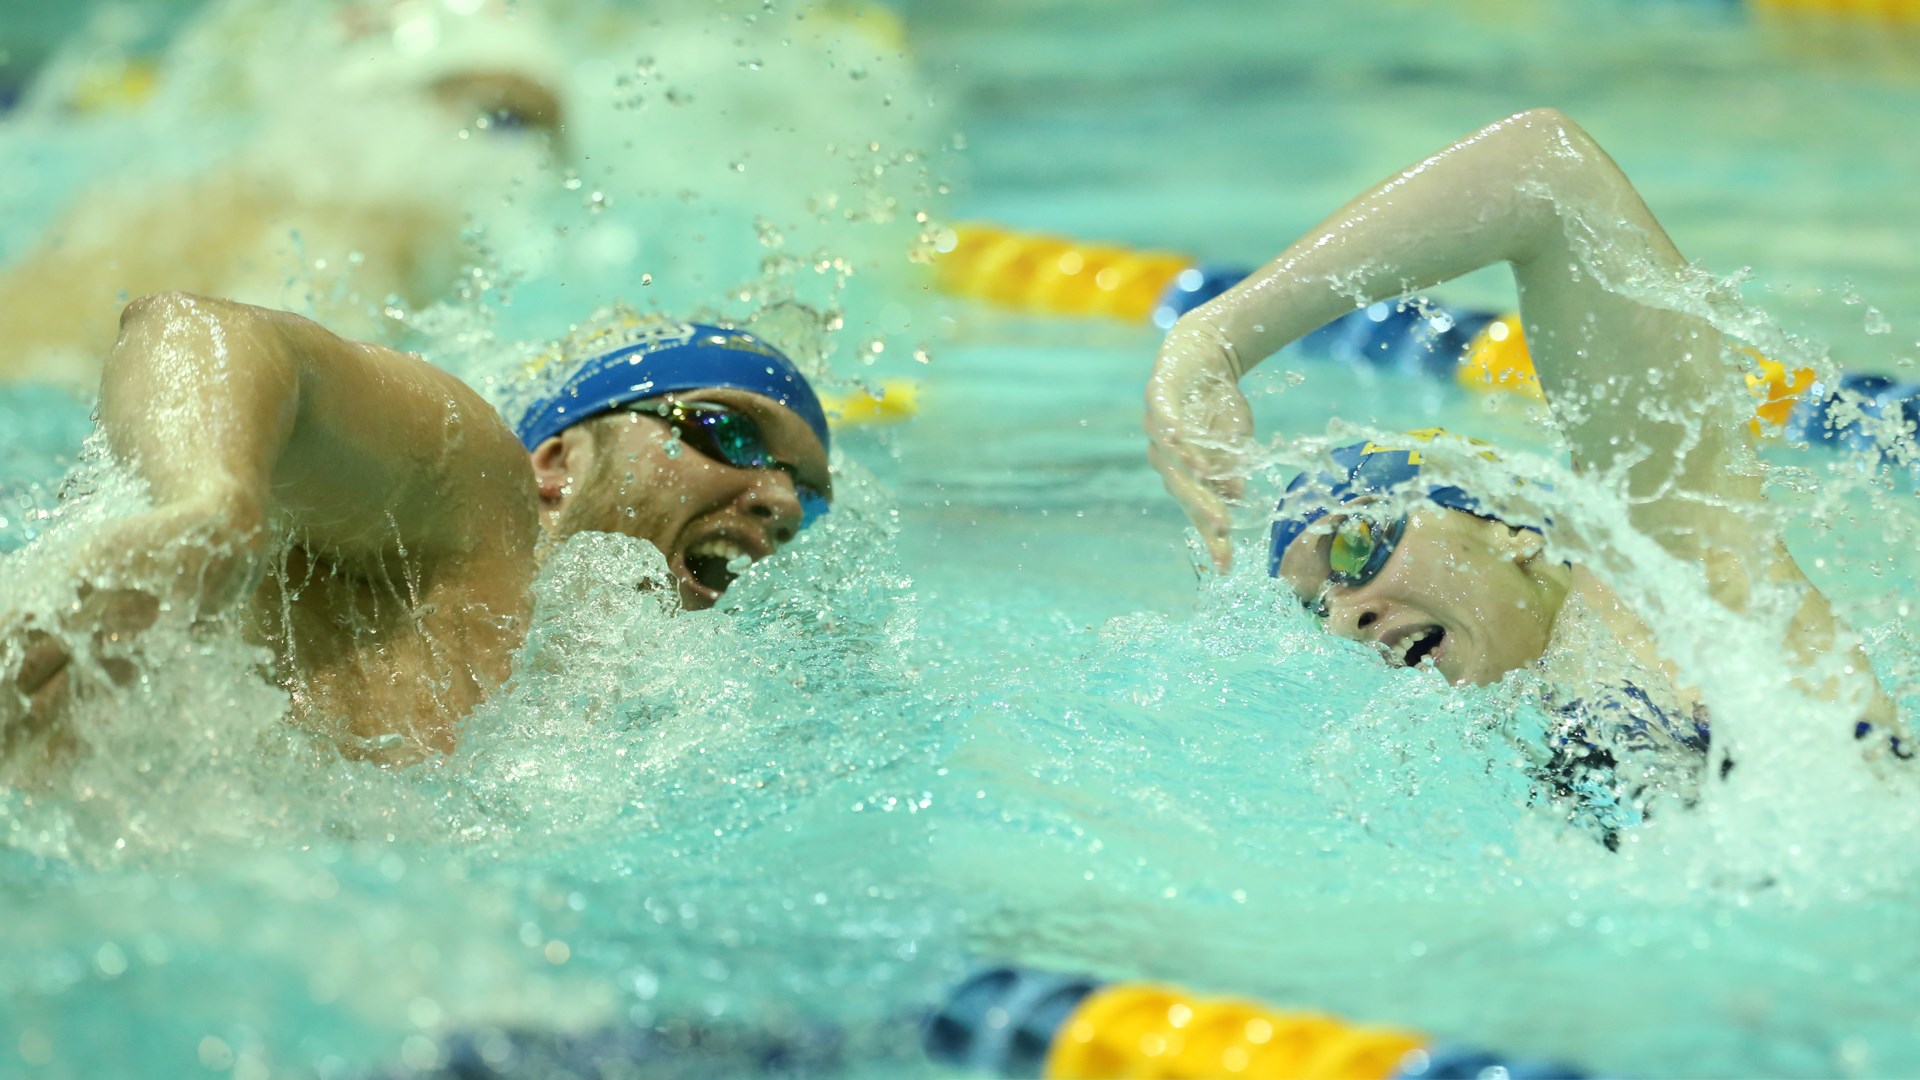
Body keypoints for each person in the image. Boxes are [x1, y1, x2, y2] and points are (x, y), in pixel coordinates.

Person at [1144, 109, 1903, 825]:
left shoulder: (1668, 572)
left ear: (1508, 527)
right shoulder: (1526, 737)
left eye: (1354, 548)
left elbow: (1541, 173)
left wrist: (1217, 339)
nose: (1349, 615)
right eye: (1320, 612)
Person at [0, 293, 832, 775]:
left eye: (807, 496)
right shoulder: (477, 509)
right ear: (555, 462)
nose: (780, 504)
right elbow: (195, 328)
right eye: (732, 434)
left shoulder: (625, 738)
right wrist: (208, 509)